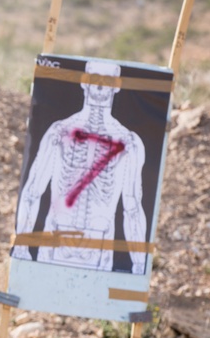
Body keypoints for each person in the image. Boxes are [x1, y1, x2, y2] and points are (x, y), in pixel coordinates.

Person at [13, 59, 148, 273]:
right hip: (54, 240)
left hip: (99, 248)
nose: (100, 87)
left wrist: (139, 263)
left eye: (107, 81)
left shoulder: (128, 142)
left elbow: (132, 207)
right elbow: (32, 191)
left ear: (116, 86)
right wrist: (21, 245)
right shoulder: (59, 132)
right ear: (84, 81)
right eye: (95, 79)